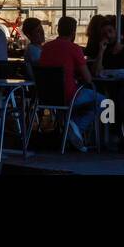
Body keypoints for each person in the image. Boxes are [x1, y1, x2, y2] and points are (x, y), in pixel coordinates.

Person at [37, 16, 101, 151]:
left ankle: (72, 128)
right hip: (70, 95)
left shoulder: (46, 47)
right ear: (73, 32)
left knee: (85, 103)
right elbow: (88, 79)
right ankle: (79, 128)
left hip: (46, 96)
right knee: (107, 102)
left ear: (58, 29)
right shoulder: (74, 48)